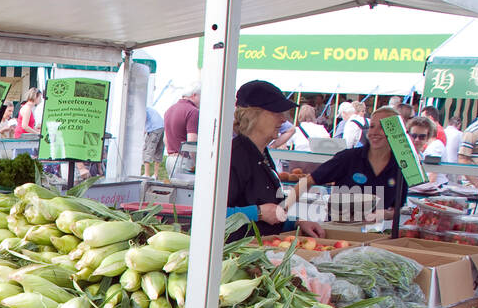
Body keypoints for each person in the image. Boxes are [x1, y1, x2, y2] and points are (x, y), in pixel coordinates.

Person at [224, 80, 321, 240]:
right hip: (236, 255)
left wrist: (296, 223)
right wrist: (258, 213)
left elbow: (273, 213)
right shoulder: (234, 156)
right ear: (253, 115)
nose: (283, 120)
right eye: (277, 112)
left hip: (263, 249)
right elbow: (211, 214)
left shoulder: (262, 154)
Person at [284, 106, 408, 229]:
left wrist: (385, 214)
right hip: (338, 231)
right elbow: (308, 181)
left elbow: (397, 208)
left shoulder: (401, 166)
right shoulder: (349, 158)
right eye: (372, 126)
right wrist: (284, 212)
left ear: (396, 131)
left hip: (375, 235)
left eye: (383, 127)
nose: (374, 132)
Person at [163, 84, 201, 178]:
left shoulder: (169, 109)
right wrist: (197, 163)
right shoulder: (193, 111)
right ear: (194, 95)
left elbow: (165, 138)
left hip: (170, 159)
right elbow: (192, 141)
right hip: (184, 160)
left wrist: (172, 153)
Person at [407, 115, 448, 186]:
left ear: (427, 138)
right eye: (414, 136)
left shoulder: (421, 155)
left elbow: (431, 179)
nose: (417, 139)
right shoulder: (403, 154)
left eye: (421, 137)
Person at [142, 105, 164, 176]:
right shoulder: (149, 109)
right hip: (162, 127)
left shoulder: (142, 109)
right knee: (158, 150)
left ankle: (146, 174)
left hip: (153, 129)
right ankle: (155, 175)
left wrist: (144, 131)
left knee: (148, 149)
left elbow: (143, 120)